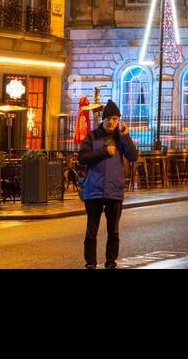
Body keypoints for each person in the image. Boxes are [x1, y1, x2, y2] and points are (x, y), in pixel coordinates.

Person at [77, 100, 137, 269]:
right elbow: (82, 158)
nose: (112, 122)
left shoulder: (120, 138)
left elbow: (133, 156)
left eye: (115, 119)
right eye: (109, 118)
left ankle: (111, 263)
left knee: (114, 231)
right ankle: (90, 263)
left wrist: (126, 136)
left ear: (118, 121)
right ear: (103, 120)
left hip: (114, 191)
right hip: (93, 190)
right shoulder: (92, 136)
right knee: (91, 231)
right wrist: (104, 152)